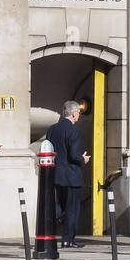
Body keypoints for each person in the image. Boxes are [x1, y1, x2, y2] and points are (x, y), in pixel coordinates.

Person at [46, 101, 90, 249]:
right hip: (72, 176)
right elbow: (73, 155)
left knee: (63, 207)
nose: (78, 115)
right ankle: (68, 240)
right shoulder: (72, 130)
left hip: (57, 175)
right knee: (72, 209)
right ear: (73, 113)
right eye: (78, 112)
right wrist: (83, 159)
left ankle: (59, 228)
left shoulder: (52, 130)